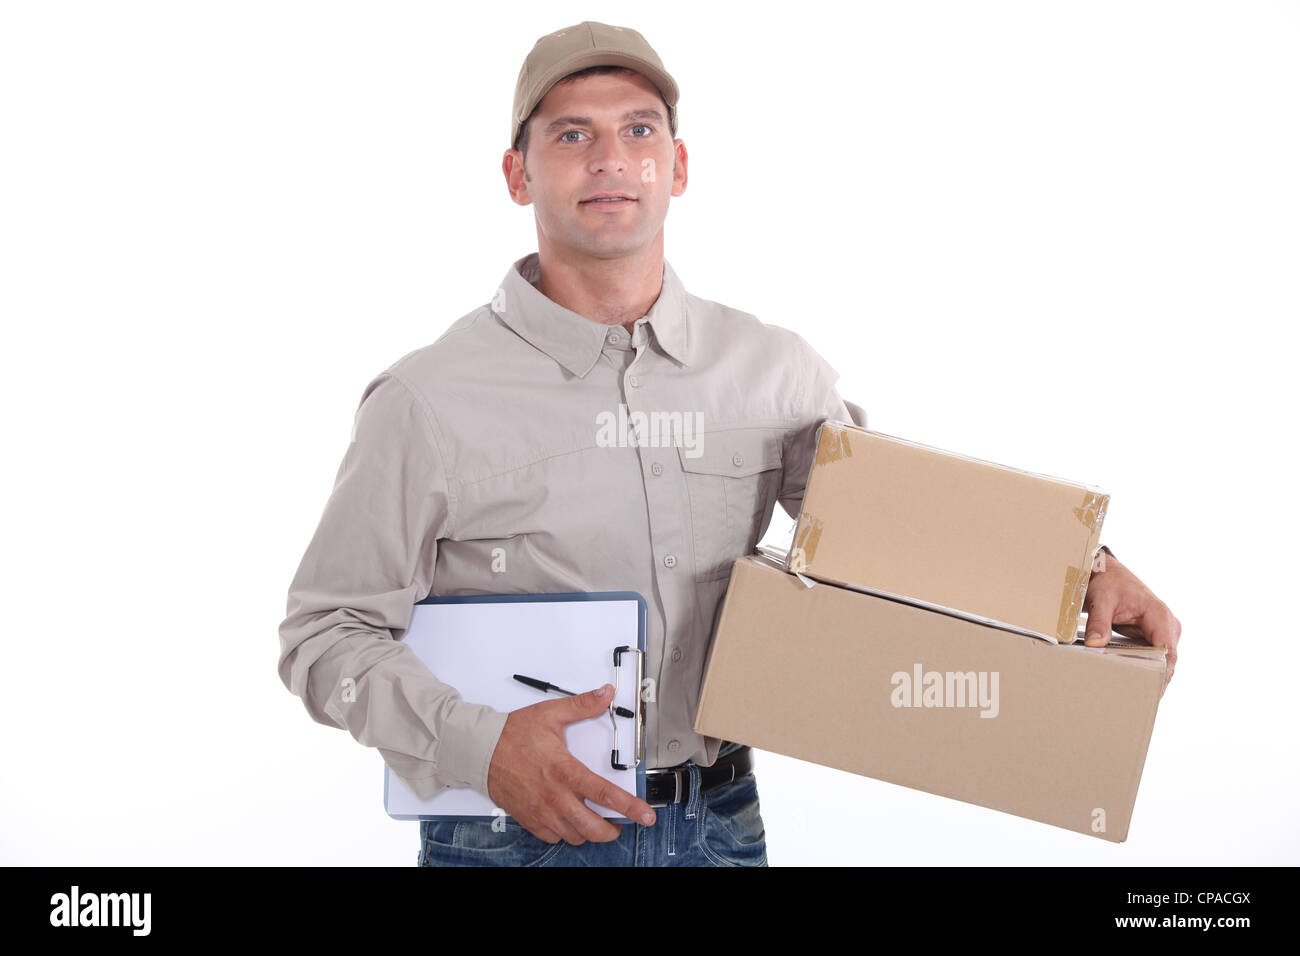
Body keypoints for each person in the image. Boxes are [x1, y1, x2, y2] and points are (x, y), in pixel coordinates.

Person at [277, 20, 1181, 867]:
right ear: (518, 175)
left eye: (638, 131)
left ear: (677, 165)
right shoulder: (428, 399)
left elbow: (900, 543)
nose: (611, 161)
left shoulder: (773, 373)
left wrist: (1083, 570)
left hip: (719, 822)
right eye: (571, 136)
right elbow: (324, 634)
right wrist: (483, 747)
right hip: (514, 833)